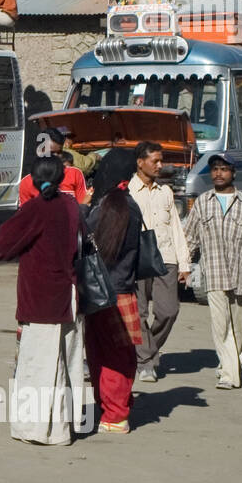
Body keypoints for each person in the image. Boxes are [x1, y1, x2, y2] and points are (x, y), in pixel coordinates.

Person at [0, 156, 83, 446]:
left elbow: (2, 246)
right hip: (71, 295)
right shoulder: (72, 207)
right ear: (62, 177)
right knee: (65, 362)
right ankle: (62, 428)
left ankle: (36, 430)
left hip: (42, 298)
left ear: (33, 180)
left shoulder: (35, 209)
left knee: (37, 365)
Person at [183, 153, 242, 390]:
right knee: (220, 326)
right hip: (215, 273)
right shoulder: (203, 202)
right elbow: (189, 237)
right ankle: (229, 375)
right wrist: (183, 265)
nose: (218, 174)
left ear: (233, 172)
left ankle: (232, 366)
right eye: (214, 170)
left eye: (223, 169)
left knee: (239, 326)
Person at [128, 140, 191, 382]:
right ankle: (146, 362)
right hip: (137, 259)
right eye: (155, 161)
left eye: (161, 160)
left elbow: (176, 228)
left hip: (166, 258)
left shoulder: (165, 192)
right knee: (139, 312)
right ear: (140, 162)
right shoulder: (128, 192)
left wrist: (184, 264)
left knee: (169, 311)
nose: (160, 165)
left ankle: (146, 350)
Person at [84, 185, 144, 433]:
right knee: (120, 355)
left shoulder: (100, 210)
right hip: (124, 291)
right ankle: (115, 409)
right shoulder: (134, 209)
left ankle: (115, 414)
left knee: (101, 354)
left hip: (98, 291)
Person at [17, 128, 88, 205]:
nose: (57, 157)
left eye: (59, 152)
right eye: (52, 153)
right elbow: (27, 214)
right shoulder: (26, 183)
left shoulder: (74, 174)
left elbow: (82, 208)